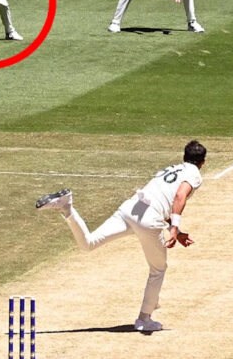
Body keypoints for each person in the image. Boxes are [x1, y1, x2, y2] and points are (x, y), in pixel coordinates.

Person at [35, 140, 206, 332]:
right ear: (203, 162)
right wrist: (174, 228)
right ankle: (144, 318)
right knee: (158, 269)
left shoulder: (171, 169)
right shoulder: (195, 174)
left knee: (88, 244)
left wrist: (177, 231)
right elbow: (179, 197)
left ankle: (67, 207)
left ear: (184, 157)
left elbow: (158, 201)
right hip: (148, 220)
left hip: (130, 209)